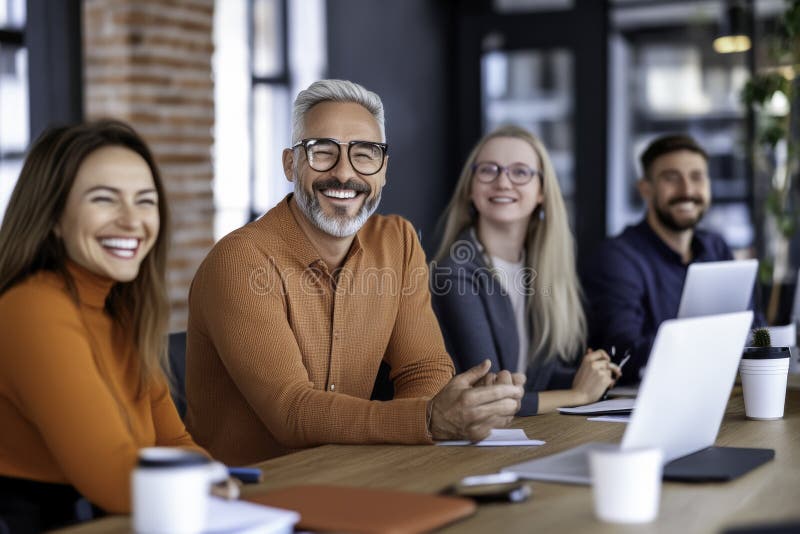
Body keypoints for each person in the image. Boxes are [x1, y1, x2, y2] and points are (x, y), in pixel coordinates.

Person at [185, 79, 525, 465]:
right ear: (290, 164)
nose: (345, 173)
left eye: (364, 154)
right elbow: (290, 411)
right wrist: (428, 420)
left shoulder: (398, 241)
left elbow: (423, 369)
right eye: (322, 151)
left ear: (383, 170)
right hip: (252, 491)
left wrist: (439, 420)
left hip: (354, 474)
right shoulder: (239, 260)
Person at [0, 120, 213, 532]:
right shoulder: (31, 309)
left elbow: (175, 444)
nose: (132, 221)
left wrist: (207, 477)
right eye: (104, 199)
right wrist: (207, 483)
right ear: (53, 217)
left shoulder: (122, 310)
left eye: (145, 201)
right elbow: (115, 480)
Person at [431, 125, 620, 416]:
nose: (503, 182)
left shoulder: (539, 269)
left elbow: (532, 379)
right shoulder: (454, 273)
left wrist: (592, 376)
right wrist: (578, 394)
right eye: (488, 170)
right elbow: (490, 397)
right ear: (470, 187)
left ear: (542, 191)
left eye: (520, 172)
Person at [581, 133, 734, 383]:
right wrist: (714, 344)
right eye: (671, 178)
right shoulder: (617, 258)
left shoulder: (717, 249)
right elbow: (623, 351)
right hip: (641, 396)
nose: (687, 190)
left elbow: (753, 328)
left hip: (719, 387)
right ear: (646, 189)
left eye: (697, 177)